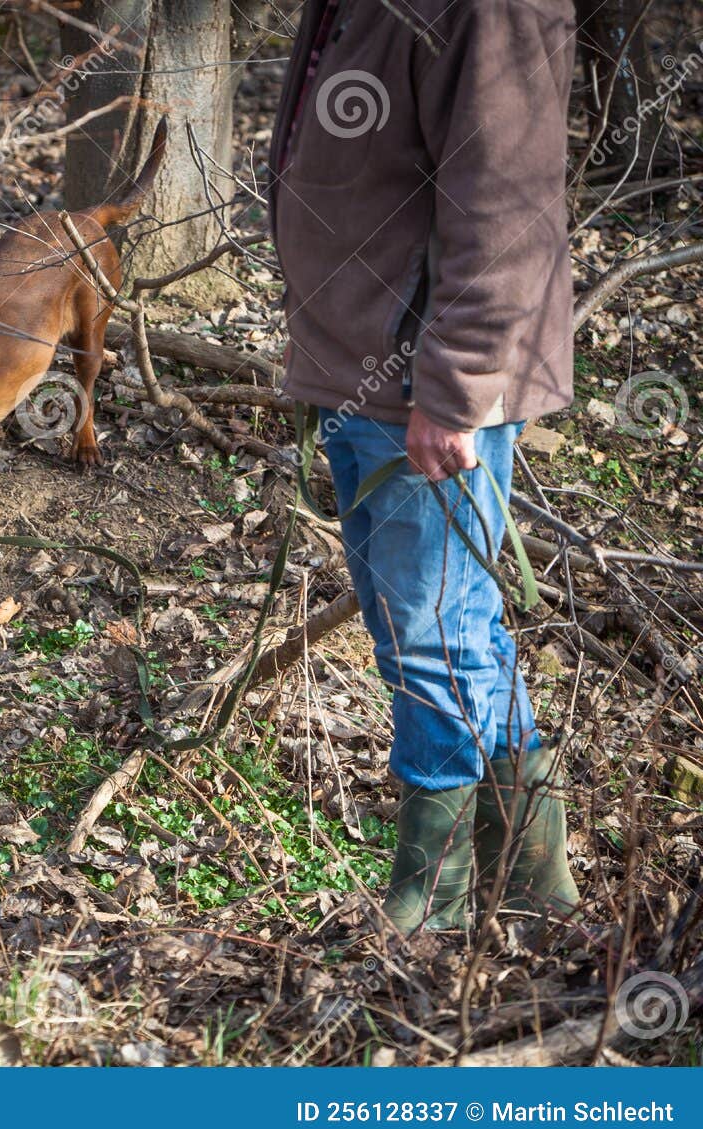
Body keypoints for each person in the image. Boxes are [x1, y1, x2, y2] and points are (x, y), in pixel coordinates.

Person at [267, 0, 581, 933]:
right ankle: (531, 885)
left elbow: (509, 205)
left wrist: (455, 390)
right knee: (449, 626)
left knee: (433, 635)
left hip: (423, 388)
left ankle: (435, 903)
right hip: (368, 367)